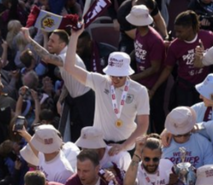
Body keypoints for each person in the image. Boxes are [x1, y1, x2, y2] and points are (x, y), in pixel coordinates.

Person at [64, 27, 149, 155]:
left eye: (119, 76)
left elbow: (143, 125)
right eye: (112, 74)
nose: (115, 79)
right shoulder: (100, 81)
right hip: (99, 144)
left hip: (126, 145)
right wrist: (74, 36)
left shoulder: (139, 90)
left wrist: (123, 146)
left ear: (127, 74)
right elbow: (69, 67)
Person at [20, 28, 94, 141]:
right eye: (49, 39)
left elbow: (47, 57)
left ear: (62, 44)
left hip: (85, 101)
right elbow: (68, 81)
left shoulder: (66, 57)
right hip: (75, 100)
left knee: (87, 137)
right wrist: (60, 99)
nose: (49, 43)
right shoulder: (65, 55)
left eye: (52, 41)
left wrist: (29, 39)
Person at [152, 11, 213, 108]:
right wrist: (154, 88)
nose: (177, 34)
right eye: (176, 31)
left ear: (190, 28)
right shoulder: (174, 46)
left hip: (204, 88)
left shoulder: (209, 37)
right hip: (185, 89)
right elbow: (168, 69)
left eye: (180, 31)